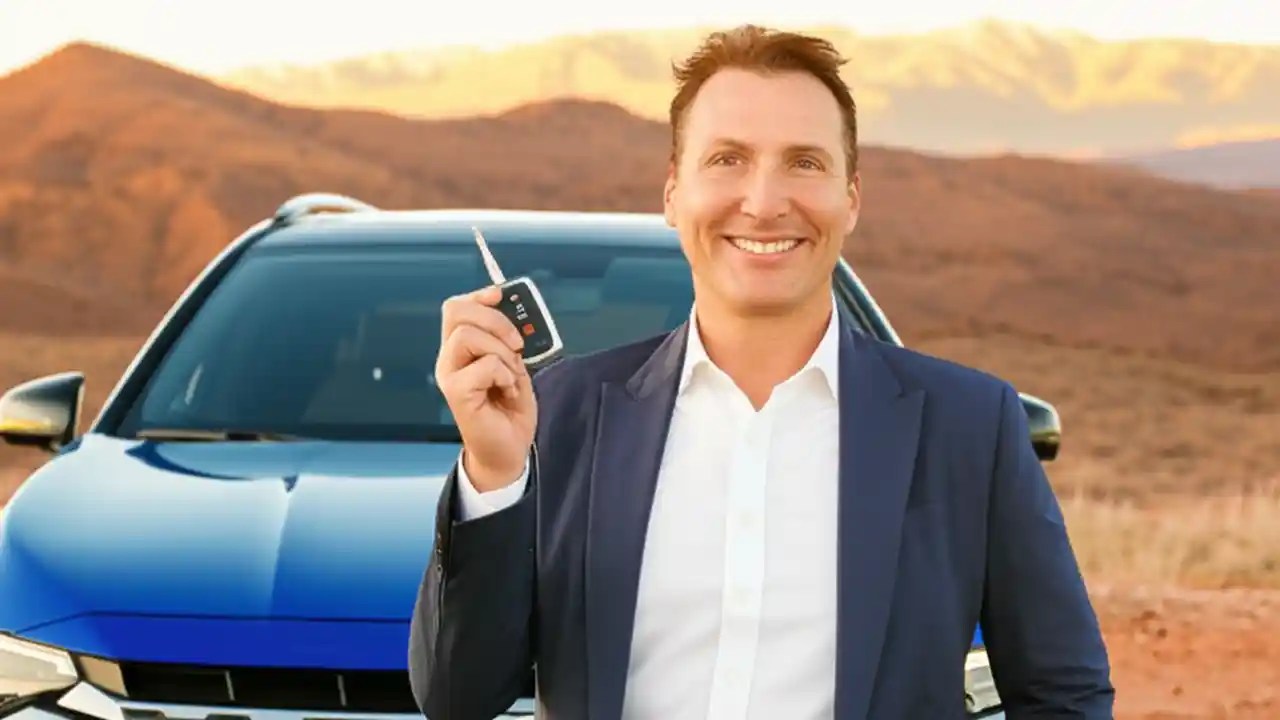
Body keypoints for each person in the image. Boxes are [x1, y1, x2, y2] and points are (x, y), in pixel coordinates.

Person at [408, 24, 1114, 720]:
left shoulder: (968, 425)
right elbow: (456, 697)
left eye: (804, 163)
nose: (765, 201)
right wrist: (494, 477)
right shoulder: (562, 413)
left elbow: (1063, 695)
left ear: (852, 198)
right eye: (727, 160)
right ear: (672, 196)